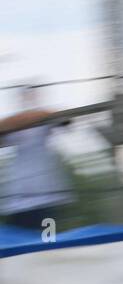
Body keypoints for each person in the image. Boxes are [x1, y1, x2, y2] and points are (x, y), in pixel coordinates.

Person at [0, 86, 72, 232]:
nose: (28, 99)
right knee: (20, 246)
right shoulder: (15, 125)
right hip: (18, 200)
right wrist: (26, 118)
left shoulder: (44, 120)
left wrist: (35, 116)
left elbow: (65, 119)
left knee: (48, 240)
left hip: (46, 199)